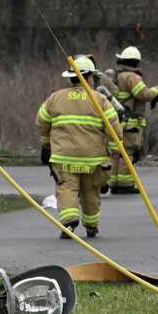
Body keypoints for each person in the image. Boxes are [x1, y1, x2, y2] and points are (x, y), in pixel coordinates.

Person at [37, 55, 121, 239]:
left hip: (64, 158)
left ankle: (69, 222)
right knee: (91, 191)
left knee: (67, 188)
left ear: (71, 77)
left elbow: (41, 121)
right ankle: (91, 226)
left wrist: (46, 142)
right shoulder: (99, 99)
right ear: (89, 77)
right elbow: (114, 126)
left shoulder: (55, 98)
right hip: (93, 159)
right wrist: (115, 148)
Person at [109, 46, 158, 193]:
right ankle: (125, 185)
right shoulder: (132, 77)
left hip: (119, 120)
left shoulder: (118, 76)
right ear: (136, 62)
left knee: (117, 153)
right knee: (127, 153)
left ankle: (114, 183)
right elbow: (144, 94)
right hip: (131, 123)